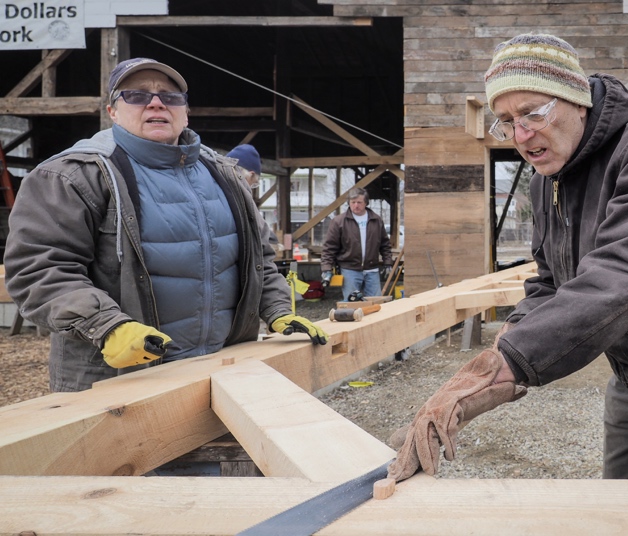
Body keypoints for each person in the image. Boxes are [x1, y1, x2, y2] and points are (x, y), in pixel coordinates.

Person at [387, 34, 628, 482]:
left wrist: (507, 366)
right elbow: (551, 279)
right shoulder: (548, 177)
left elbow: (623, 274)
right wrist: (512, 335)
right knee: (617, 503)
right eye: (506, 122)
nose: (521, 136)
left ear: (576, 98)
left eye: (532, 113)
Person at [3, 57, 328, 393]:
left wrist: (276, 309)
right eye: (137, 95)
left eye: (170, 97)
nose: (156, 102)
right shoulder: (73, 176)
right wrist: (106, 325)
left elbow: (260, 259)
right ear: (112, 111)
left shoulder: (226, 176)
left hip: (223, 373)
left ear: (185, 112)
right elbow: (39, 269)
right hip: (118, 383)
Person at [320, 187, 393, 300]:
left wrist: (388, 262)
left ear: (366, 203)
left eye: (359, 202)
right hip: (349, 270)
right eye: (352, 202)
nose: (356, 205)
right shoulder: (339, 222)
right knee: (351, 303)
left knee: (376, 304)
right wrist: (326, 268)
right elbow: (329, 247)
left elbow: (385, 244)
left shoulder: (376, 220)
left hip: (372, 269)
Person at [226, 143, 282, 252]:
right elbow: (268, 238)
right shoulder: (237, 198)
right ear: (250, 174)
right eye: (254, 183)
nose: (251, 188)